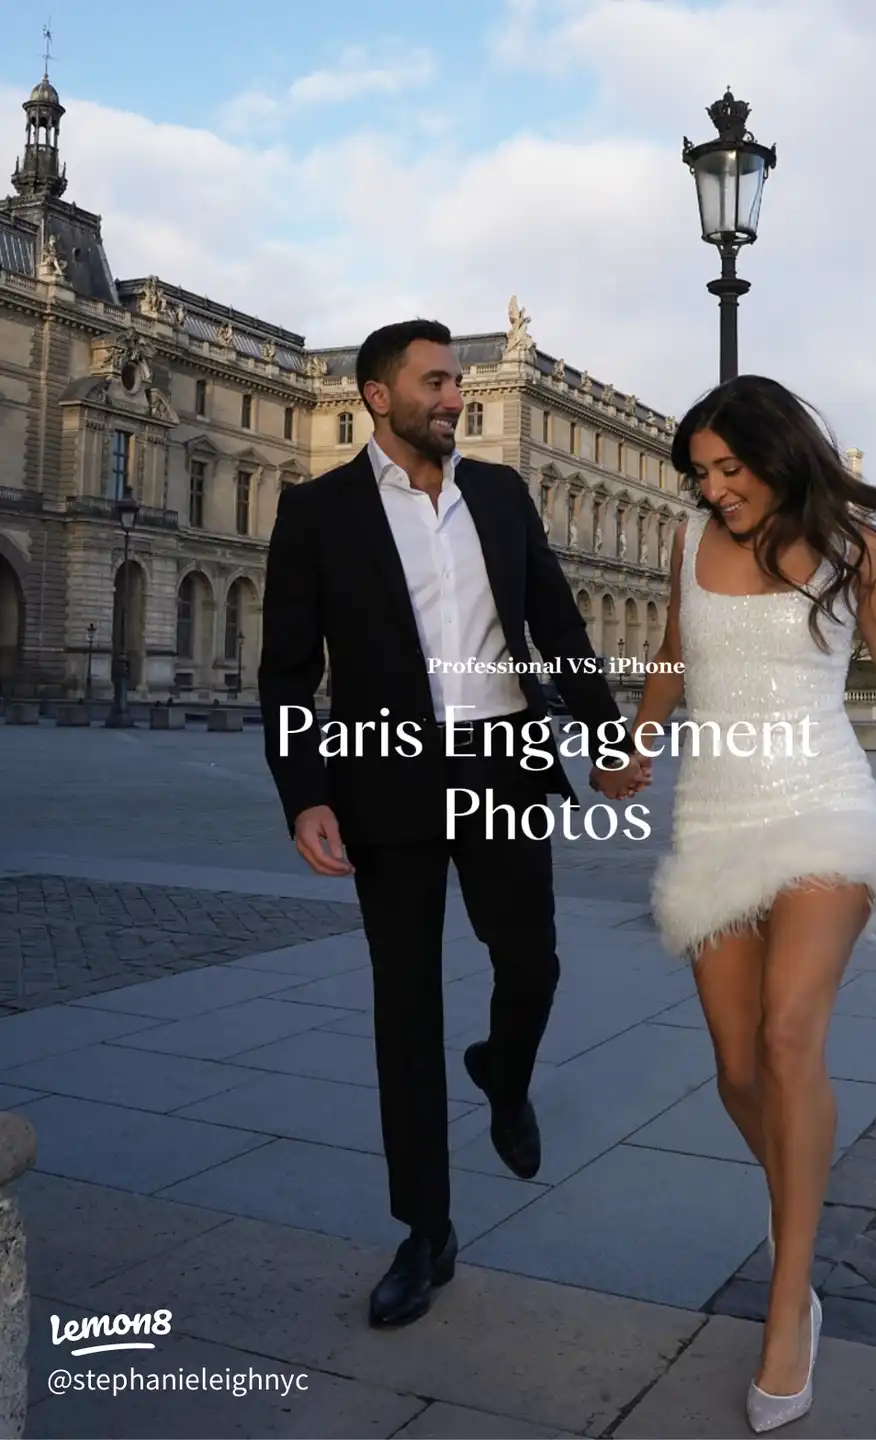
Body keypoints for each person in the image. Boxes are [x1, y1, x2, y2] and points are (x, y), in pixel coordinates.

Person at [257, 318, 646, 1330]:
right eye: (434, 383)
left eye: (458, 383)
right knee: (406, 1005)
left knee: (534, 966)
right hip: (384, 780)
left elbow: (555, 623)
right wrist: (305, 793)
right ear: (376, 397)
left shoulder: (502, 494)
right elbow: (290, 670)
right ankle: (424, 1231)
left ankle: (503, 1074)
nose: (453, 397)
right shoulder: (319, 512)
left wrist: (605, 736)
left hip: (505, 762)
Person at [628, 375, 876, 1433]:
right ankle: (802, 1209)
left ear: (776, 452)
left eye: (729, 468)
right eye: (701, 473)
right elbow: (671, 653)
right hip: (717, 814)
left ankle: (789, 1306)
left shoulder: (857, 544)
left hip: (824, 803)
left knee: (791, 1036)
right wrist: (637, 740)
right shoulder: (689, 539)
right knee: (737, 1069)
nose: (715, 488)